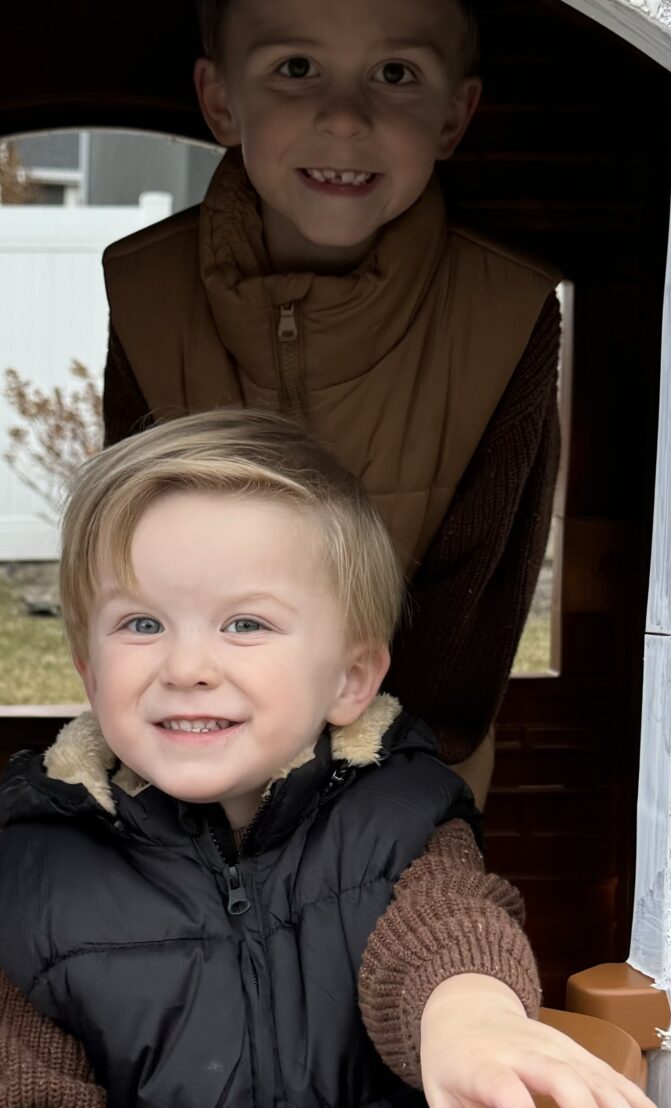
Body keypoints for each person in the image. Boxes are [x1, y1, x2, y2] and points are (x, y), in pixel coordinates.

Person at [0, 411, 663, 1108]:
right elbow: (13, 1102)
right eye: (142, 625)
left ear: (350, 680)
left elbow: (447, 933)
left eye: (246, 625)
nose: (187, 666)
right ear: (90, 673)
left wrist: (472, 1019)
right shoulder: (37, 881)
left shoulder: (397, 817)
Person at [101, 0, 564, 809]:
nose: (346, 117)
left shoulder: (506, 311)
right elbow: (133, 570)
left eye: (395, 74)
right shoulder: (149, 294)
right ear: (219, 100)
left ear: (454, 115)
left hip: (407, 788)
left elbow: (473, 613)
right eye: (295, 68)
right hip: (185, 774)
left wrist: (358, 821)